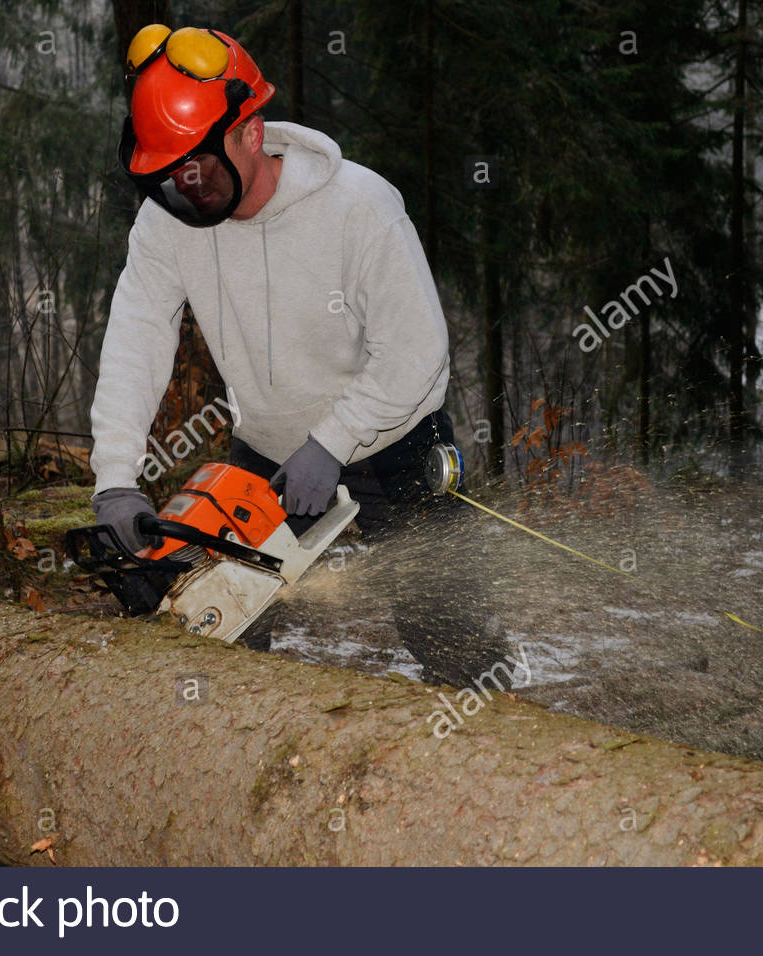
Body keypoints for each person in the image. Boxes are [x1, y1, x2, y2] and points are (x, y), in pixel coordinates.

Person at [89, 25, 507, 685]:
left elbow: (417, 352)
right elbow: (137, 338)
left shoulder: (360, 209)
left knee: (450, 632)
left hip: (391, 440)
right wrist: (114, 476)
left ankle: (494, 746)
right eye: (169, 175)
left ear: (250, 132)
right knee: (213, 623)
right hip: (266, 453)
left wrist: (335, 438)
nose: (185, 189)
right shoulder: (167, 224)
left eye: (196, 167)